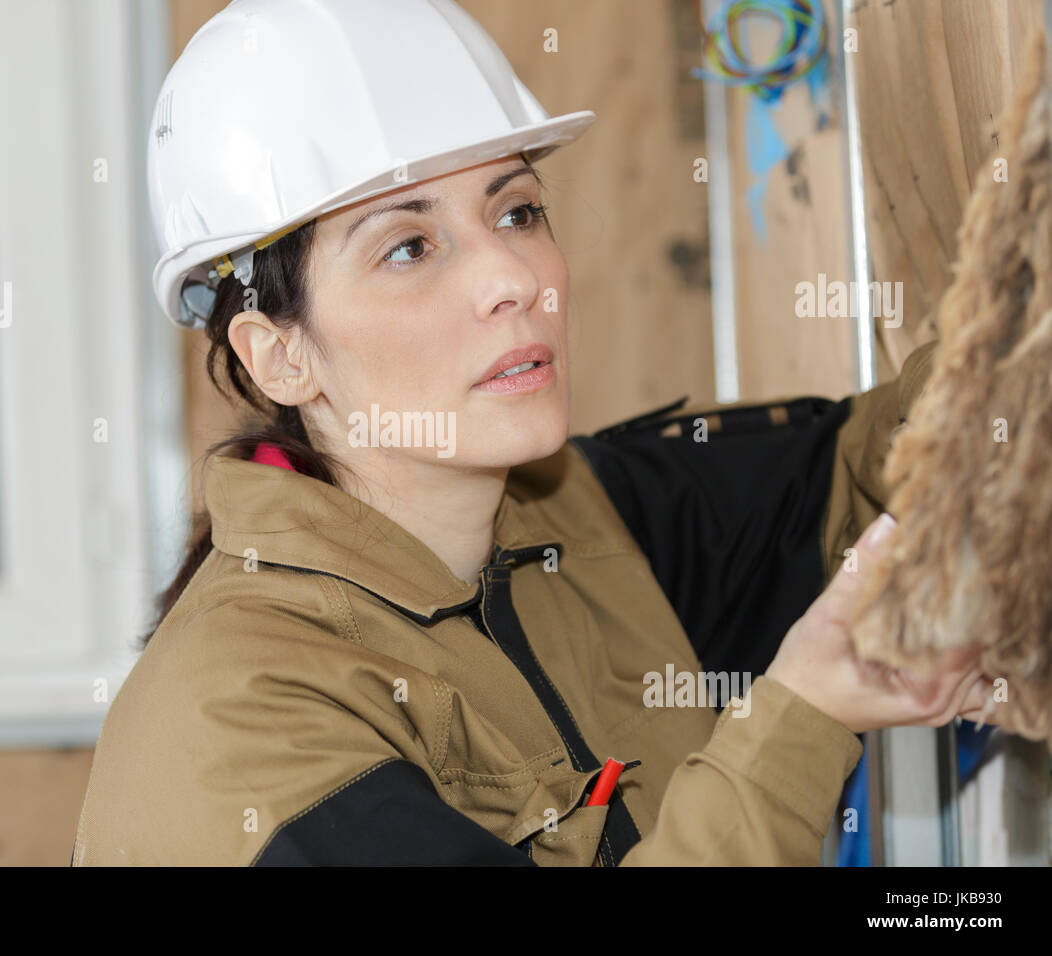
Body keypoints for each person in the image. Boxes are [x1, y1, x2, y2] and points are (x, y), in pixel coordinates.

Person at [72, 0, 990, 866]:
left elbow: (874, 473)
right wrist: (808, 716)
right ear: (279, 356)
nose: (513, 275)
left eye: (516, 211)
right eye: (409, 247)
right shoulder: (242, 723)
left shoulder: (576, 526)